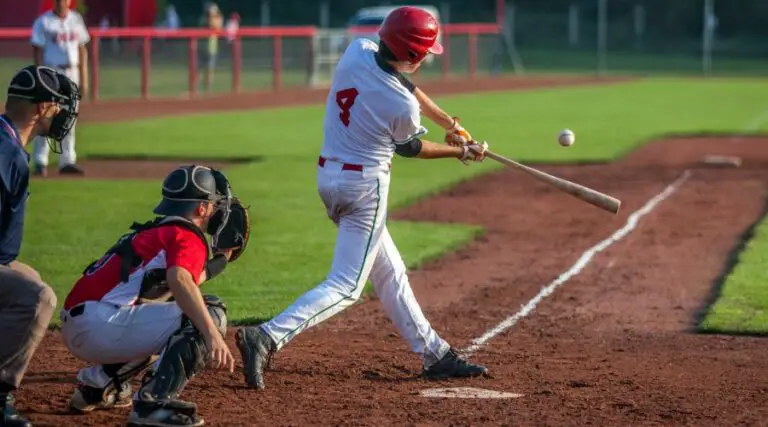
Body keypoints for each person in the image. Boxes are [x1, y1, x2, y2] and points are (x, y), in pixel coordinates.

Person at [236, 6, 490, 391]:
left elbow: (405, 85)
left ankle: (434, 354)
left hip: (329, 177)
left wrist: (452, 127)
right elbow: (410, 147)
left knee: (389, 273)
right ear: (414, 54)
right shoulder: (400, 106)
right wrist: (461, 152)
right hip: (364, 189)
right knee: (347, 286)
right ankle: (267, 336)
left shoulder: (358, 51)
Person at [59, 165, 250, 427]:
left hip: (85, 322)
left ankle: (98, 385)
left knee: (172, 307)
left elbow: (190, 277)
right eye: (214, 203)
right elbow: (181, 280)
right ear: (201, 209)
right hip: (101, 325)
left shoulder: (159, 232)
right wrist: (213, 335)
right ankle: (154, 403)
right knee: (208, 313)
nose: (218, 209)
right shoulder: (187, 237)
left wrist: (222, 260)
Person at [0, 65, 81, 427]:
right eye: (58, 106)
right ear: (40, 108)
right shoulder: (7, 153)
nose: (62, 114)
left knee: (25, 277)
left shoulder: (5, 142)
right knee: (37, 297)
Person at [30, 0, 90, 176]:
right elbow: (37, 50)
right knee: (45, 117)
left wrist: (84, 78)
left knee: (70, 117)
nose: (61, 2)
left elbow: (82, 49)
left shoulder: (76, 19)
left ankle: (67, 161)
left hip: (72, 72)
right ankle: (40, 161)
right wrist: (40, 77)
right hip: (52, 72)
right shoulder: (44, 21)